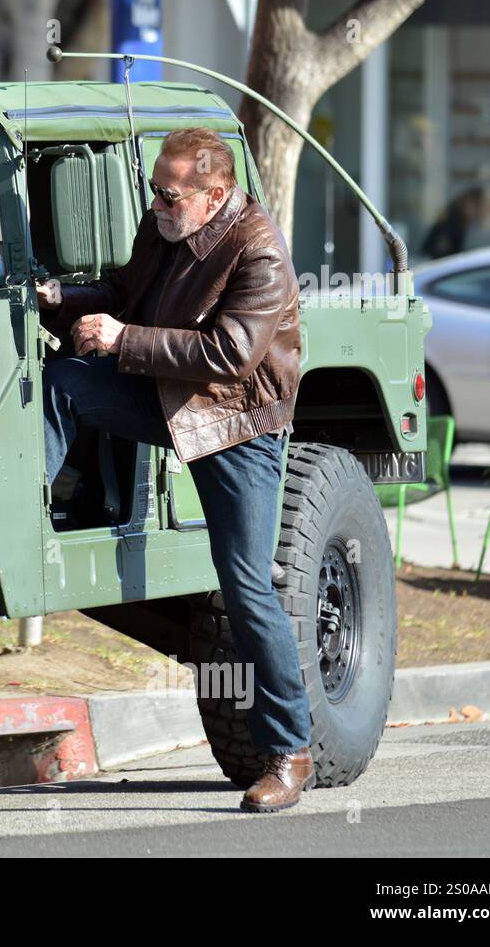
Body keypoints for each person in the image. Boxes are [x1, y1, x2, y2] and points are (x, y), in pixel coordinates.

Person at [38, 127, 312, 813]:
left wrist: (122, 338)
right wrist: (61, 301)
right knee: (65, 379)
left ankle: (291, 752)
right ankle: (25, 517)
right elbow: (124, 292)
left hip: (234, 423)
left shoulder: (259, 250)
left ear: (214, 195)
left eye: (169, 192)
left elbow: (229, 353)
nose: (156, 202)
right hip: (164, 393)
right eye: (154, 188)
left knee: (246, 587)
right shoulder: (164, 223)